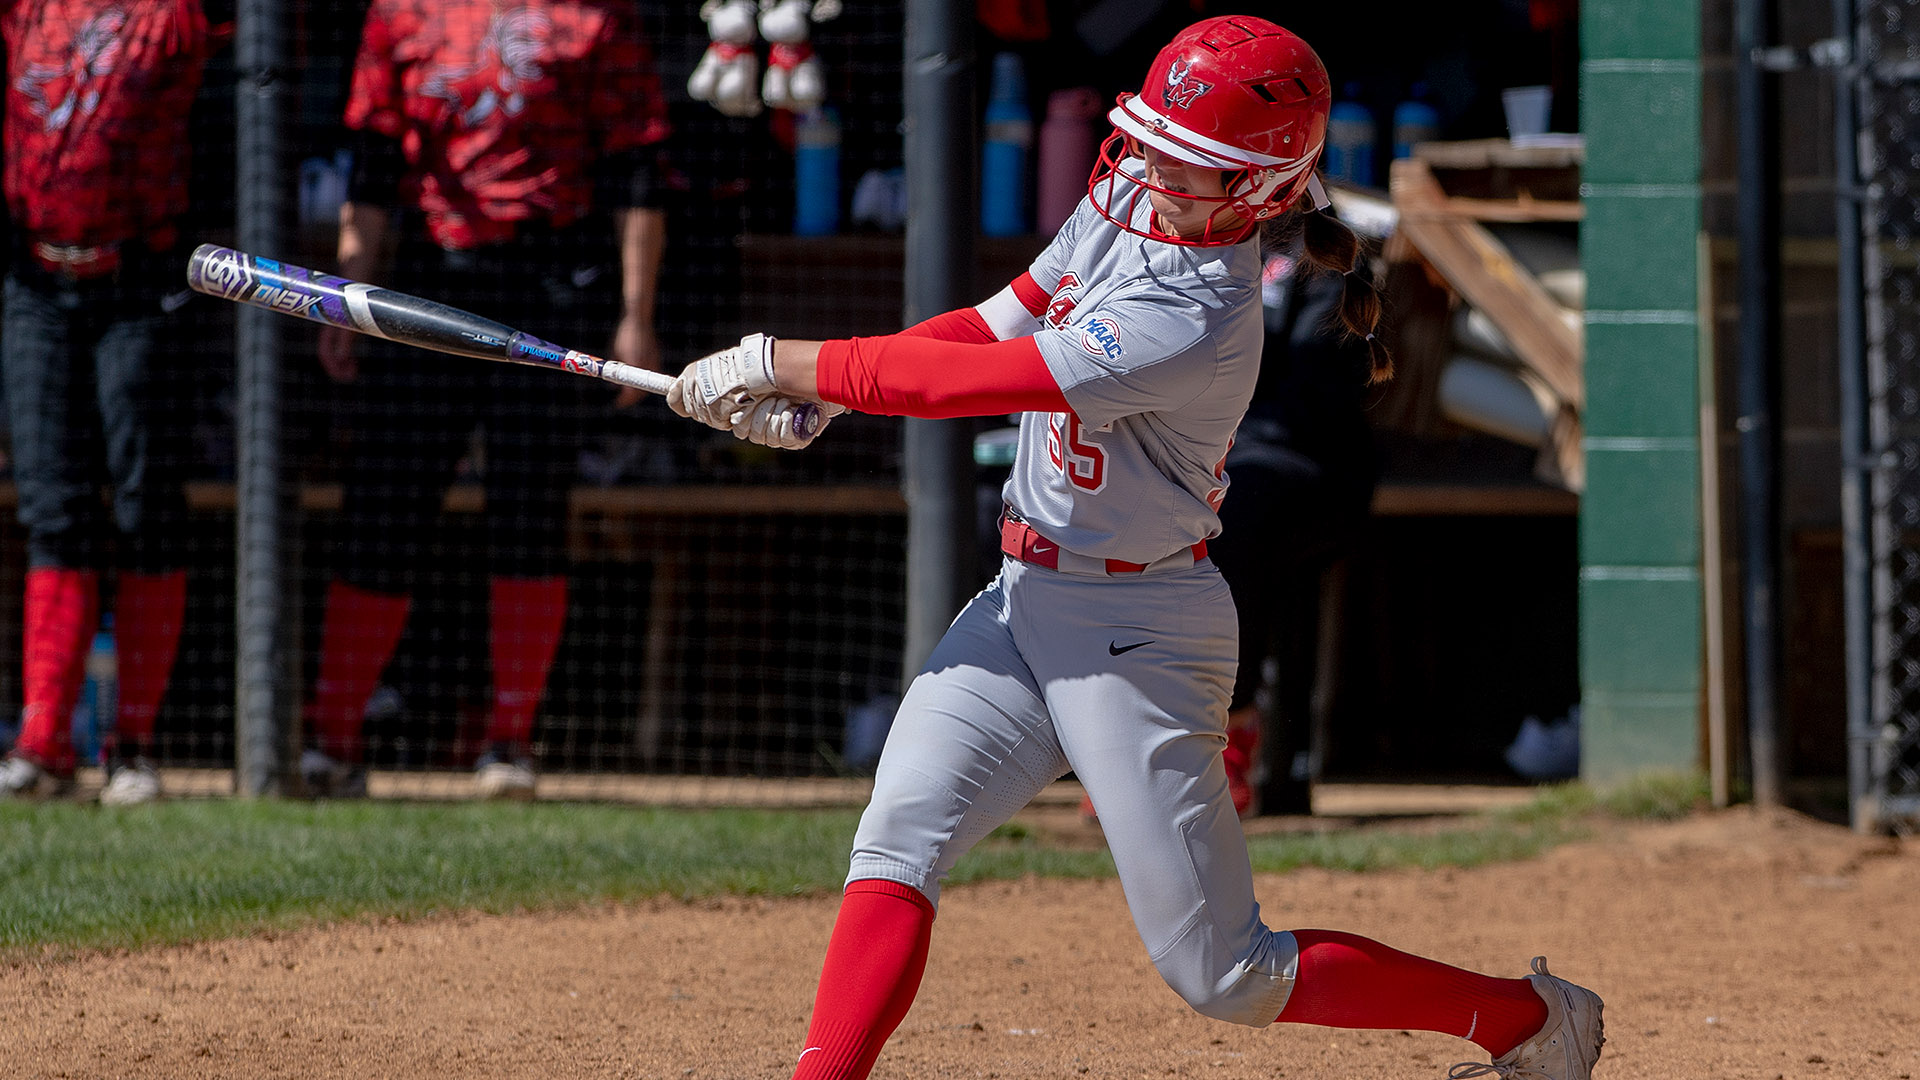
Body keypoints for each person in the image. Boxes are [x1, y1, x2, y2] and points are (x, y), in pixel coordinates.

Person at [668, 16, 1604, 1080]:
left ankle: (1528, 1023)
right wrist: (830, 396)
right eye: (1154, 139)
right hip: (1025, 599)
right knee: (897, 840)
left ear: (1263, 192)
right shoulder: (1128, 198)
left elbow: (959, 389)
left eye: (1193, 161)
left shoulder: (1200, 317)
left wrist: (780, 360)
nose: (1158, 167)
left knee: (1228, 974)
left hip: (1137, 634)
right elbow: (986, 330)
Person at [299, 0, 670, 799]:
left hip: (550, 280)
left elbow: (636, 168)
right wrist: (345, 292)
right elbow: (370, 157)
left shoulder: (590, 19)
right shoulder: (399, 14)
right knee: (385, 505)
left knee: (531, 509)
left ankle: (509, 741)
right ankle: (332, 739)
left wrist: (635, 315)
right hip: (431, 284)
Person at [0, 0, 232, 805]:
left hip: (143, 281)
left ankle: (131, 743)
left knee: (144, 509)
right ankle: (42, 741)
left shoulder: (177, 12)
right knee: (52, 507)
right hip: (35, 280)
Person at [1211, 236, 1379, 817]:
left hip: (1307, 462)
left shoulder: (1325, 249)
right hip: (1209, 455)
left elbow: (1317, 385)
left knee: (1228, 514)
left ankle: (1224, 737)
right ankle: (1133, 738)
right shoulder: (1178, 236)